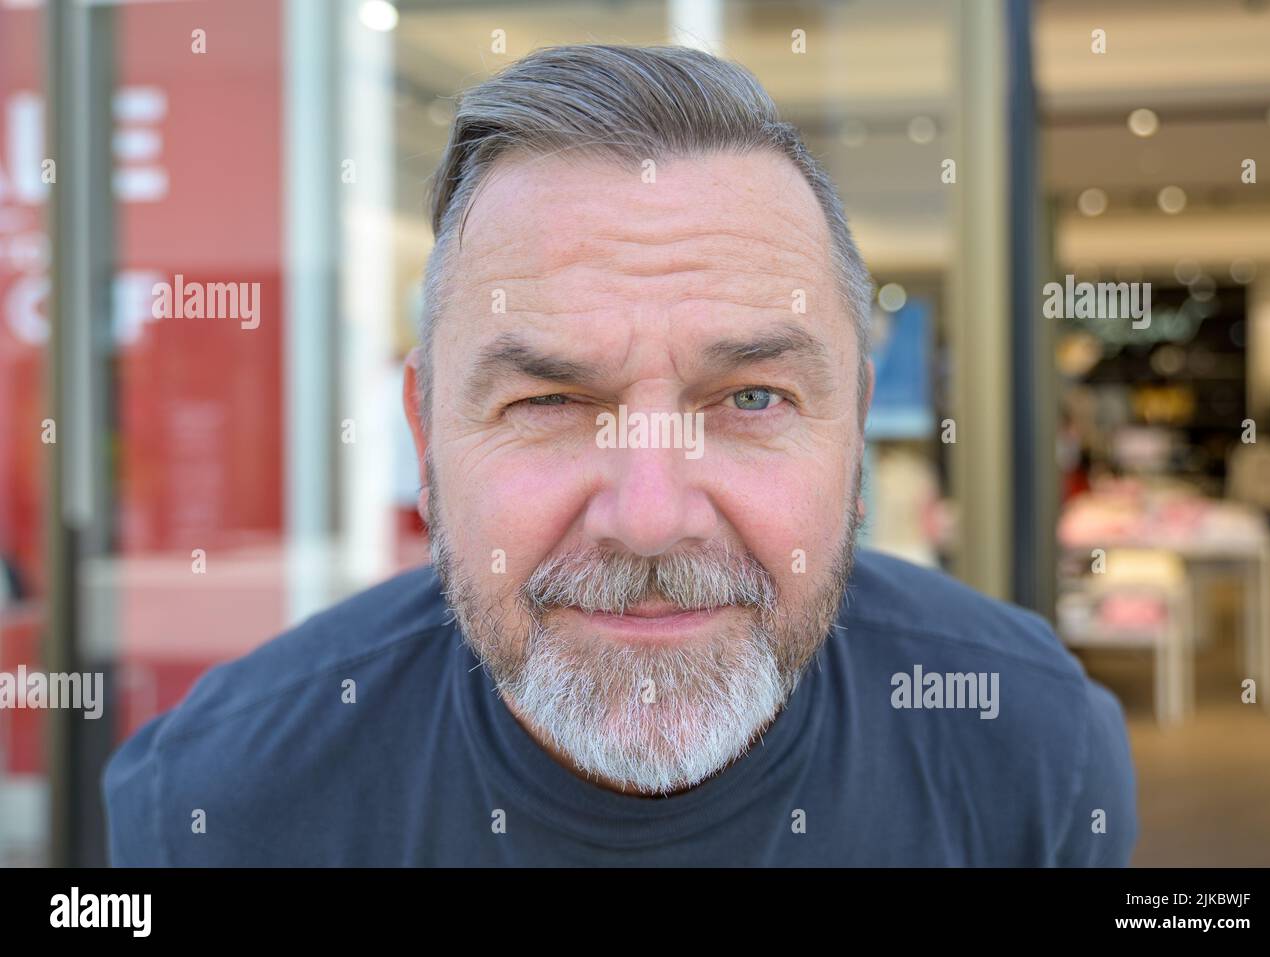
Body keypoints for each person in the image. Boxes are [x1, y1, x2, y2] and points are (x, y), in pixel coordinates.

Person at [102, 44, 1136, 866]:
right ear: (422, 435)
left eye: (752, 399)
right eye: (549, 400)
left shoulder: (1029, 744)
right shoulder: (217, 804)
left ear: (853, 431)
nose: (648, 517)